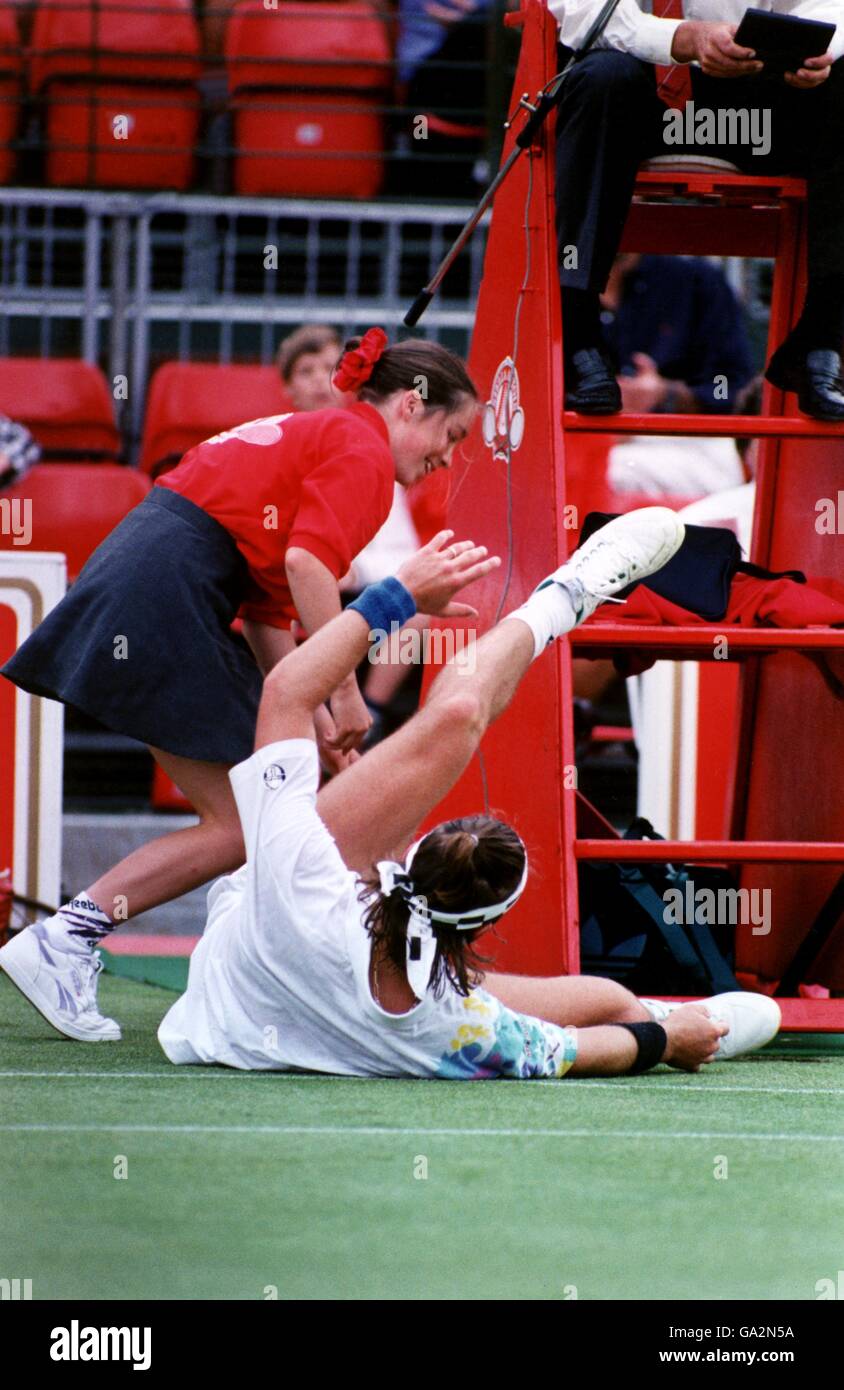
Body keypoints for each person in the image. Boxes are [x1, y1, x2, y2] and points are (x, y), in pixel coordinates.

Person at [147, 506, 779, 1076]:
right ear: (483, 932)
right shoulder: (457, 1021)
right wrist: (667, 1039)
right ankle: (570, 595)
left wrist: (396, 598)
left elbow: (286, 690)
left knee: (451, 722)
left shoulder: (300, 880)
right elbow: (591, 1049)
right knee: (613, 1002)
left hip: (243, 971)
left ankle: (565, 598)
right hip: (300, 996)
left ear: (411, 855)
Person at [0, 331, 477, 1039]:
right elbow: (309, 567)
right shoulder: (364, 453)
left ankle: (90, 941)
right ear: (411, 404)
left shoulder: (327, 434)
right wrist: (346, 694)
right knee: (238, 823)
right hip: (163, 597)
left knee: (257, 809)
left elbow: (265, 605)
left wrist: (314, 704)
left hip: (153, 585)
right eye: (452, 432)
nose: (448, 456)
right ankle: (64, 940)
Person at [549, 0, 844, 420]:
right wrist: (681, 37)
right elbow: (581, 17)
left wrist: (817, 44)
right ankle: (578, 340)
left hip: (755, 108)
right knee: (600, 76)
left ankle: (821, 340)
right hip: (644, 95)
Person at [276, 324, 345, 414]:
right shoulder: (278, 427)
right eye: (306, 371)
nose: (319, 378)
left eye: (329, 368)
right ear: (288, 387)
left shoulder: (365, 426)